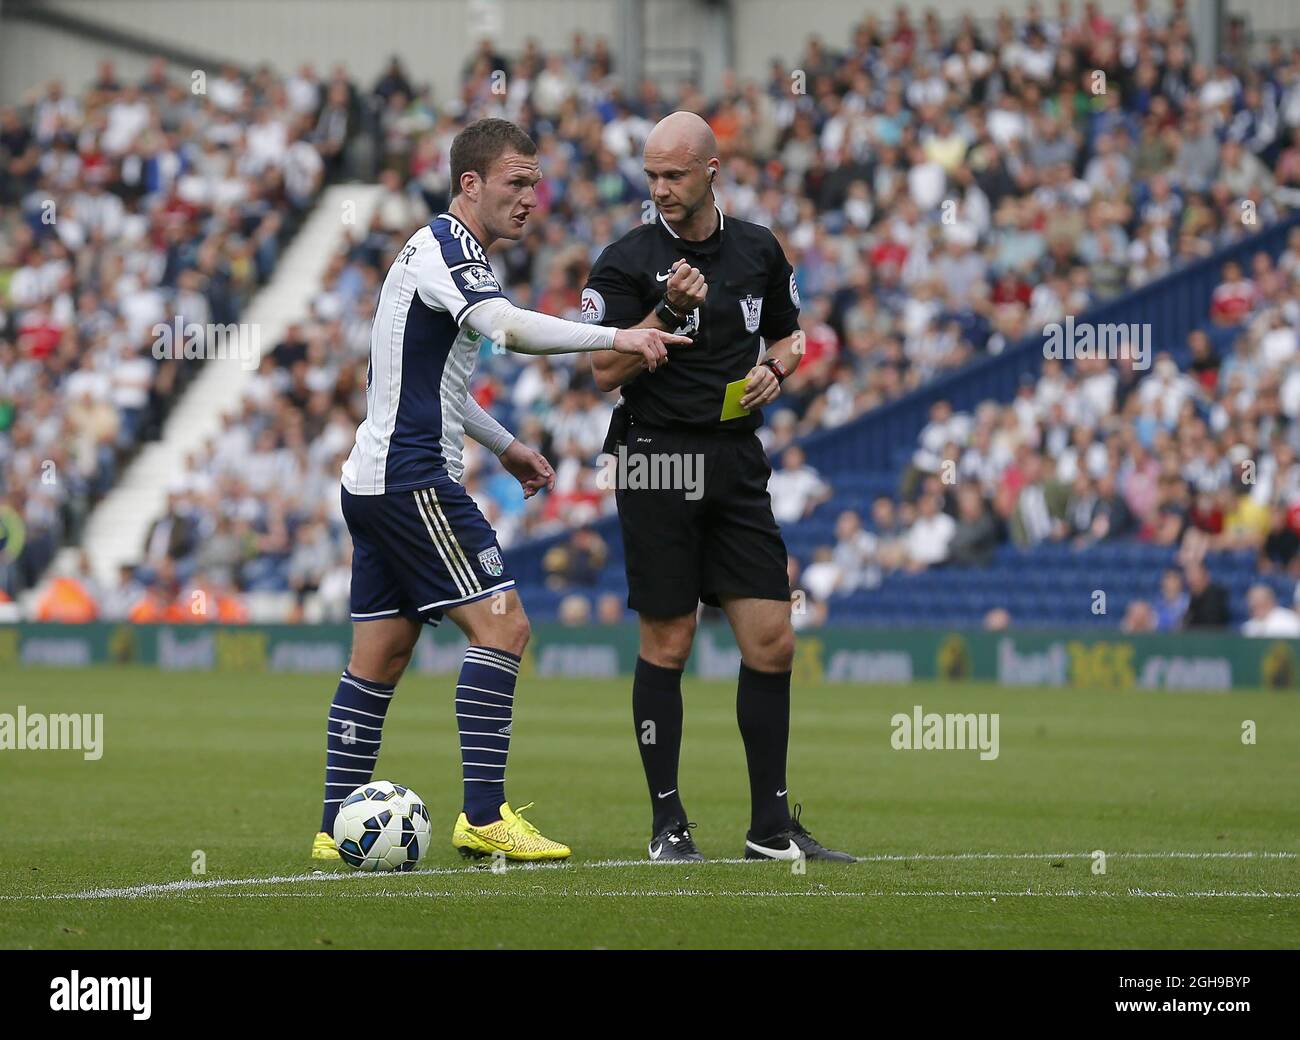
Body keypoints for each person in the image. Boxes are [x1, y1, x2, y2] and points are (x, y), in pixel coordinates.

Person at [313, 118, 688, 864]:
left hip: (374, 482)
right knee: (505, 627)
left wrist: (507, 444)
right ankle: (483, 817)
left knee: (379, 657)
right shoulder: (450, 251)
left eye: (536, 184)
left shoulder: (432, 252)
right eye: (516, 183)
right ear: (470, 185)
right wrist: (618, 337)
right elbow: (508, 331)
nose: (531, 199)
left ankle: (333, 832)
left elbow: (431, 381)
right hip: (414, 479)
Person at [583, 111, 853, 863]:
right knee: (668, 641)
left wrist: (779, 368)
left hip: (736, 458)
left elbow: (792, 337)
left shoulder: (759, 248)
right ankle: (668, 824)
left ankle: (770, 828)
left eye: (674, 175)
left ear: (711, 171)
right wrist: (668, 309)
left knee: (772, 641)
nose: (661, 190)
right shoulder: (627, 259)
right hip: (655, 457)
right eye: (652, 176)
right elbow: (603, 371)